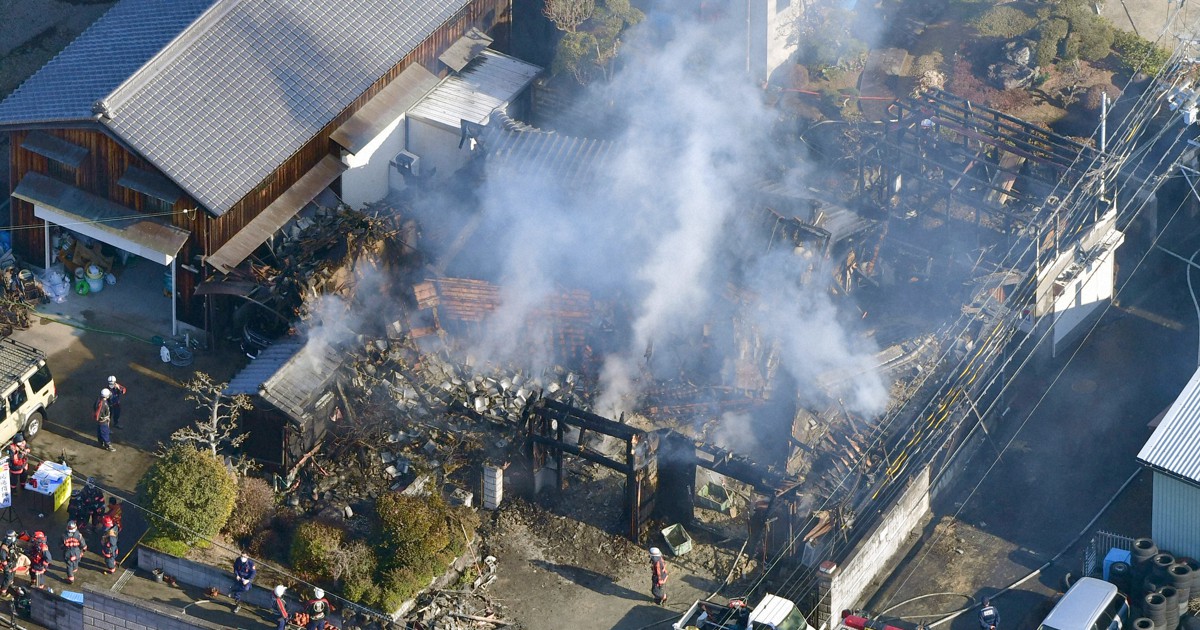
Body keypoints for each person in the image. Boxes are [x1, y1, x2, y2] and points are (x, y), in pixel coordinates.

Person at [0, 530, 16, 597]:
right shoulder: (4, 547)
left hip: (12, 562)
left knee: (12, 575)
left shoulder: (11, 543)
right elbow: (3, 558)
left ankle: (10, 584)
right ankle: (3, 591)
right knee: (8, 578)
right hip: (7, 564)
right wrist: (6, 567)